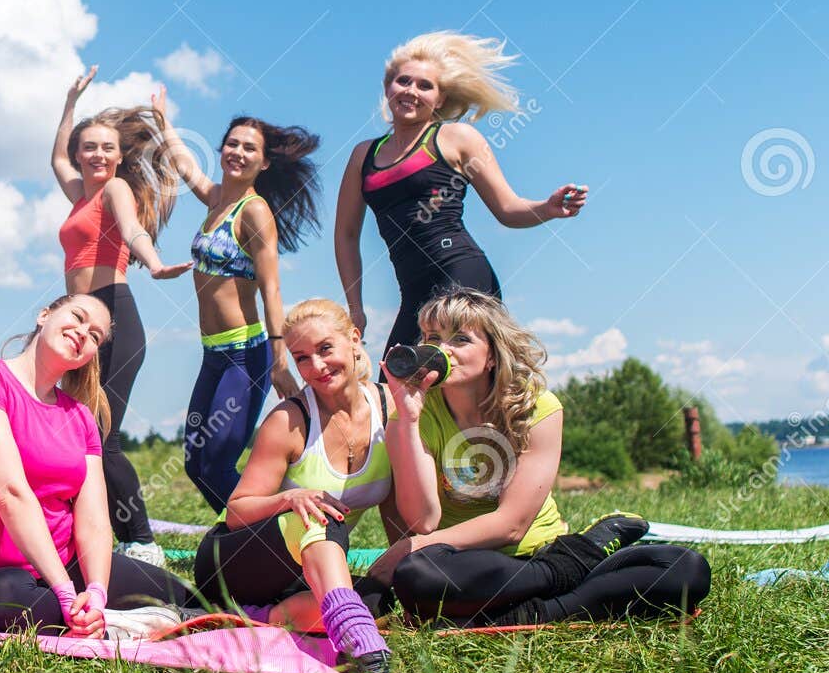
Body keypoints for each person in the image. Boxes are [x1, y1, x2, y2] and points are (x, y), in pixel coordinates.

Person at [373, 288, 711, 626]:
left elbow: (512, 526)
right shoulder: (412, 415)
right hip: (465, 564)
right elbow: (424, 522)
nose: (442, 349)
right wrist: (410, 421)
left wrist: (410, 546)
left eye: (461, 339)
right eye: (433, 338)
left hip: (537, 552)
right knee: (418, 576)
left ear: (492, 356)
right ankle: (576, 567)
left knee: (685, 570)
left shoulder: (536, 407)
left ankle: (543, 589)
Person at [0, 293, 200, 639]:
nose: (83, 333)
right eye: (77, 317)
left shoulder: (81, 417)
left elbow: (94, 519)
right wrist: (64, 591)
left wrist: (96, 590)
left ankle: (113, 616)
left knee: (184, 595)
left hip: (68, 564)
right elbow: (11, 494)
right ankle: (120, 624)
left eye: (95, 336)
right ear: (44, 315)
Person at [334, 31, 588, 357]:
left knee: (445, 373)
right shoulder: (363, 155)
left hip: (461, 275)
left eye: (425, 85)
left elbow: (508, 209)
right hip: (411, 290)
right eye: (403, 81)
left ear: (440, 99)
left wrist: (547, 208)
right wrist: (355, 308)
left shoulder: (457, 138)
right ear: (387, 87)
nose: (411, 91)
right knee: (394, 379)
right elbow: (346, 234)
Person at [194, 299, 402, 673]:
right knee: (318, 515)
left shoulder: (390, 408)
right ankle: (366, 650)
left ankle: (262, 617)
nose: (317, 366)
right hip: (233, 560)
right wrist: (290, 497)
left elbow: (396, 507)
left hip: (303, 574)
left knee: (378, 599)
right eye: (302, 358)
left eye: (325, 349)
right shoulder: (289, 420)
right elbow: (237, 511)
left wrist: (401, 561)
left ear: (354, 340)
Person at [49, 66, 190, 567]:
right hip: (77, 325)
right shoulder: (79, 195)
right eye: (89, 147)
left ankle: (142, 541)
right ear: (80, 154)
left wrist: (154, 263)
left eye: (107, 148)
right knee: (79, 433)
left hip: (113, 319)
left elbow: (131, 229)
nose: (98, 155)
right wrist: (70, 101)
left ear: (118, 156)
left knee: (99, 436)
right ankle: (93, 532)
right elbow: (55, 157)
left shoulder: (115, 191)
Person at [155, 88, 322, 512]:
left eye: (250, 148)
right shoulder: (216, 200)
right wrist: (163, 122)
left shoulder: (254, 211)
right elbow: (185, 164)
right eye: (232, 144)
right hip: (213, 354)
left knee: (216, 464)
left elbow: (272, 288)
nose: (239, 152)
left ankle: (264, 535)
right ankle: (241, 534)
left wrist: (279, 357)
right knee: (195, 462)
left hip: (246, 355)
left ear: (263, 162)